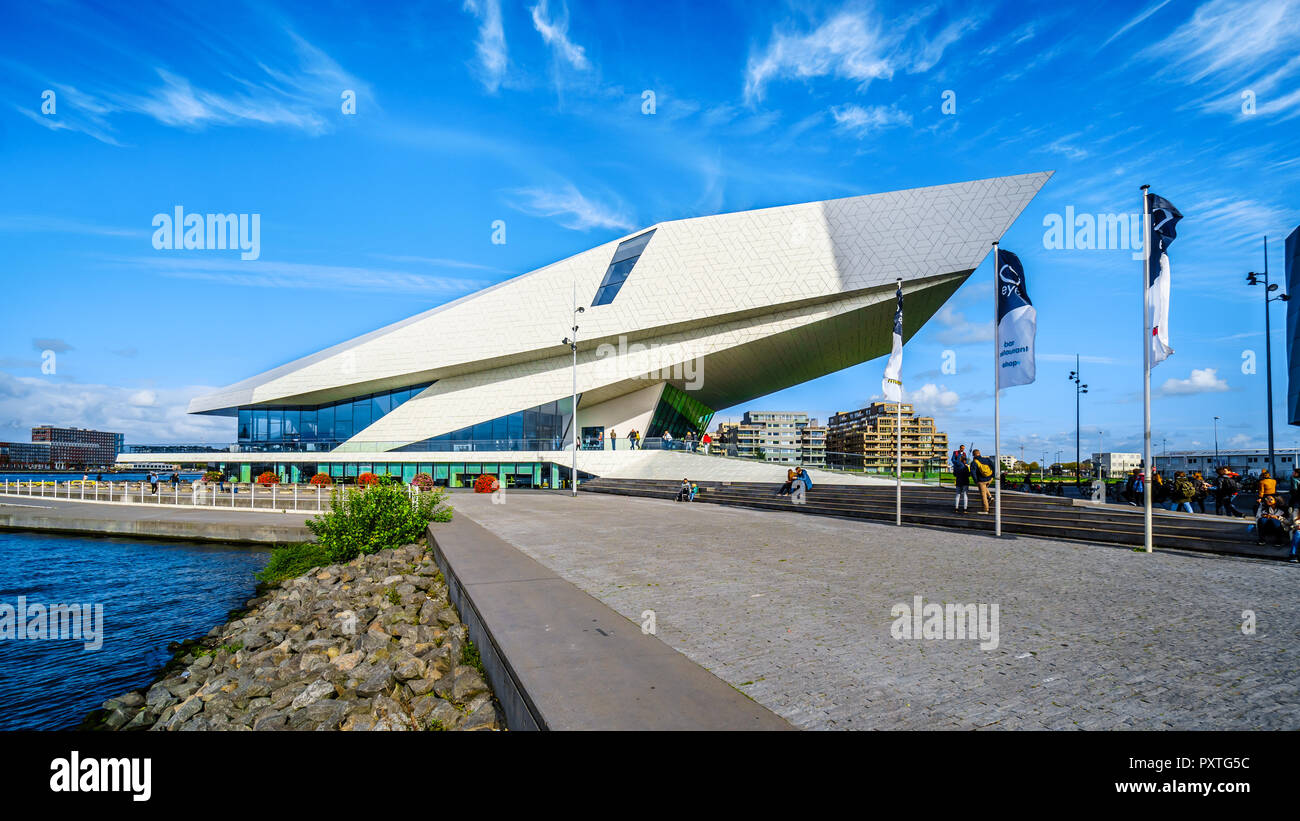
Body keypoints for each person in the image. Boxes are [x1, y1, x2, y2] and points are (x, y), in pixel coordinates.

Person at [970, 448, 995, 514]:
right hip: (989, 479)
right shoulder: (987, 459)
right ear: (979, 453)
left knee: (983, 496)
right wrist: (992, 476)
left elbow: (973, 473)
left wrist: (976, 481)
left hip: (981, 481)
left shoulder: (974, 462)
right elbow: (993, 467)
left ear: (973, 455)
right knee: (985, 488)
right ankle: (990, 497)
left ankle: (985, 510)